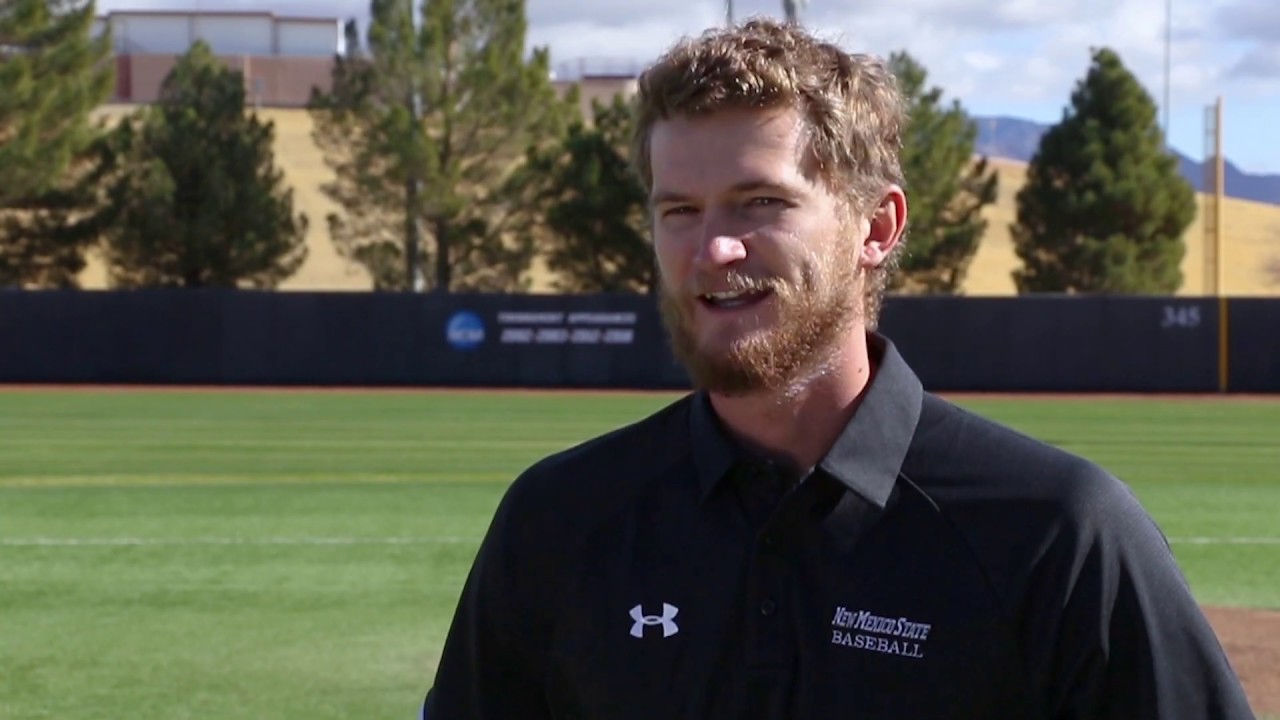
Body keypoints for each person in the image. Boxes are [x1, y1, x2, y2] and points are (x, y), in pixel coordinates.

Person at [422, 18, 1256, 720]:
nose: (714, 248)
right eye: (679, 210)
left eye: (762, 202)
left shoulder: (1059, 534)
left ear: (877, 227)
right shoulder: (560, 521)